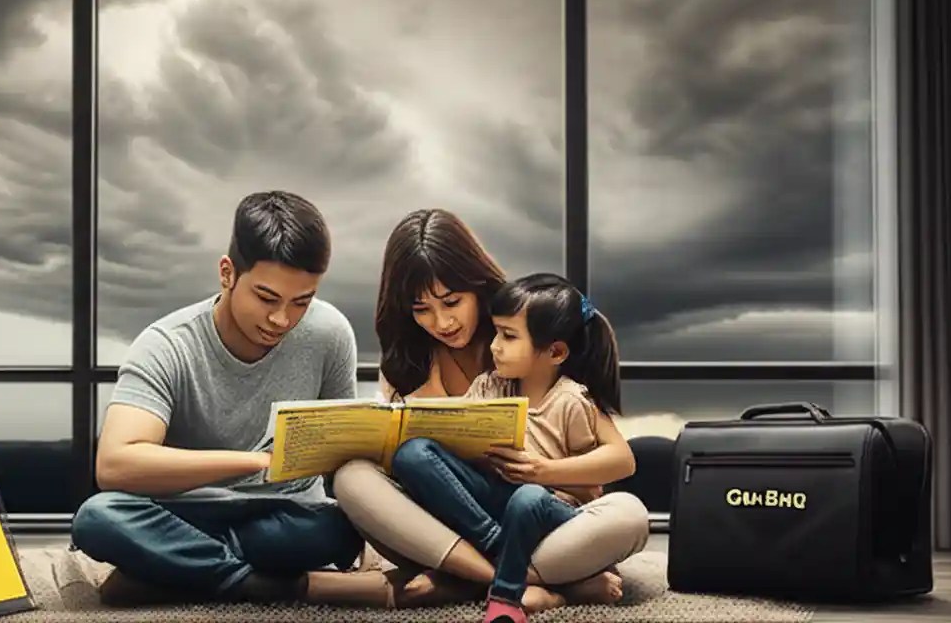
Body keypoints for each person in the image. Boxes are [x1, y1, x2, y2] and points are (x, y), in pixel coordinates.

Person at [71, 191, 380, 606]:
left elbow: (342, 455)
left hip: (286, 516)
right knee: (99, 518)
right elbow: (114, 464)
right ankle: (275, 586)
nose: (281, 319)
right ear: (227, 273)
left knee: (339, 530)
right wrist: (257, 463)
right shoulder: (167, 344)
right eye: (267, 298)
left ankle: (168, 573)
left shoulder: (330, 333)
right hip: (187, 511)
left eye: (301, 302)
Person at [333, 209, 649, 609]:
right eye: (421, 309)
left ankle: (467, 580)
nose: (441, 321)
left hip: (540, 517)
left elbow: (614, 461)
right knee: (351, 479)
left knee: (628, 514)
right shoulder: (407, 364)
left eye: (451, 301)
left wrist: (546, 471)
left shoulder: (527, 342)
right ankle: (524, 582)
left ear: (477, 286)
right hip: (452, 520)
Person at [392, 272, 633, 623]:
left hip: (550, 516)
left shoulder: (570, 400)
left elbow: (593, 486)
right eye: (496, 333)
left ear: (555, 352)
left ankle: (504, 596)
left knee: (529, 497)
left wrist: (541, 471)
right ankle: (515, 565)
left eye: (508, 336)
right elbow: (458, 448)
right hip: (498, 507)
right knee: (412, 455)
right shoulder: (489, 386)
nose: (494, 347)